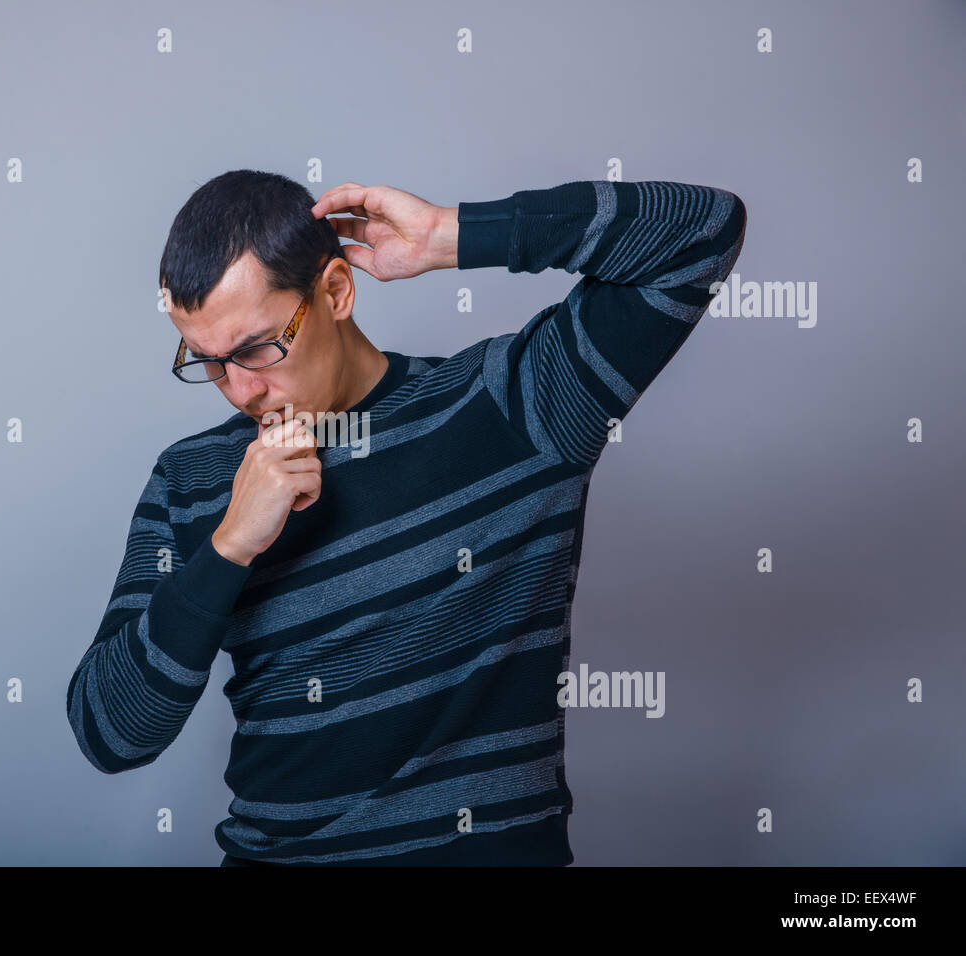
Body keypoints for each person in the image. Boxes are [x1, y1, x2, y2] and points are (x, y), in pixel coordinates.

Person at [66, 170, 747, 866]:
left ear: (334, 291)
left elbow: (700, 230)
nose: (240, 391)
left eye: (255, 349)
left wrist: (454, 235)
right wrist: (228, 548)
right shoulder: (194, 481)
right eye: (208, 363)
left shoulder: (517, 407)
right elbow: (110, 734)